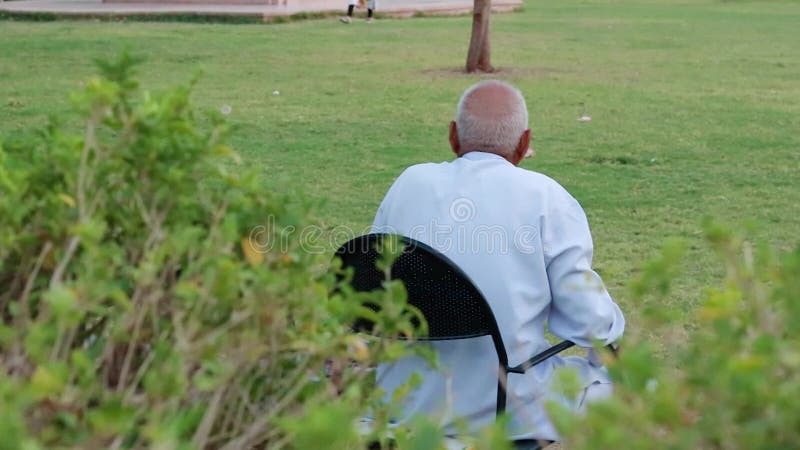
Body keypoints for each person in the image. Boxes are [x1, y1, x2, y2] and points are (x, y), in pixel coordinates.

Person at [369, 80, 625, 442]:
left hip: (404, 402)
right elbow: (591, 323)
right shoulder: (545, 198)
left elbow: (371, 292)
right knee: (624, 380)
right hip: (508, 410)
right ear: (524, 144)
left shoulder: (407, 184)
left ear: (453, 136)